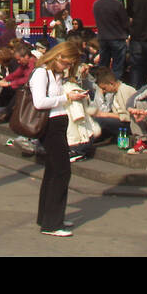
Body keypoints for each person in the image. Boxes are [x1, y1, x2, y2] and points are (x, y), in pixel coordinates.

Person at [31, 41, 88, 236]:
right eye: (66, 63)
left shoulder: (55, 74)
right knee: (62, 172)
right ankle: (52, 224)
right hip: (50, 125)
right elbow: (39, 102)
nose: (68, 67)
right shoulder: (41, 73)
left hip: (58, 123)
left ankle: (48, 217)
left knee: (53, 171)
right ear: (58, 57)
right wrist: (67, 98)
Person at [91, 0, 130, 80]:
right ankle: (114, 85)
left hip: (103, 38)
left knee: (103, 64)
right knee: (117, 65)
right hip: (117, 38)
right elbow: (125, 23)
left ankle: (101, 83)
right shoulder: (117, 4)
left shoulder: (96, 4)